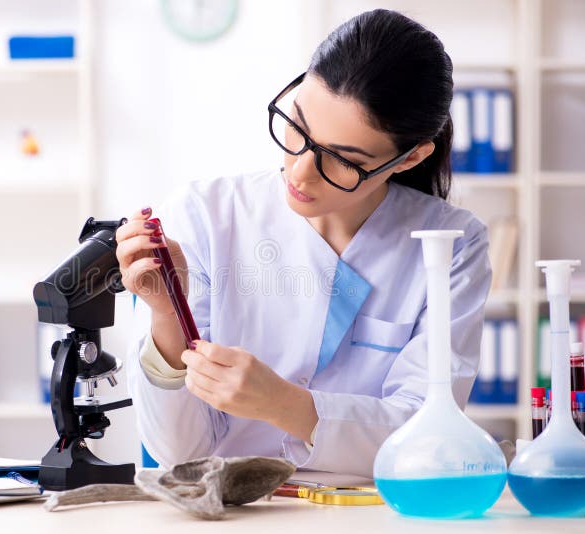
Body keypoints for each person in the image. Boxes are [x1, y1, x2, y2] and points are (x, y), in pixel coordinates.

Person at [115, 9, 491, 478]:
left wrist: (288, 405)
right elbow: (180, 452)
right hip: (232, 517)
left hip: (373, 515)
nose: (299, 171)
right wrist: (167, 312)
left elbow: (428, 437)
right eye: (297, 127)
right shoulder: (205, 215)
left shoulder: (452, 245)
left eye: (340, 160)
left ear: (409, 156)